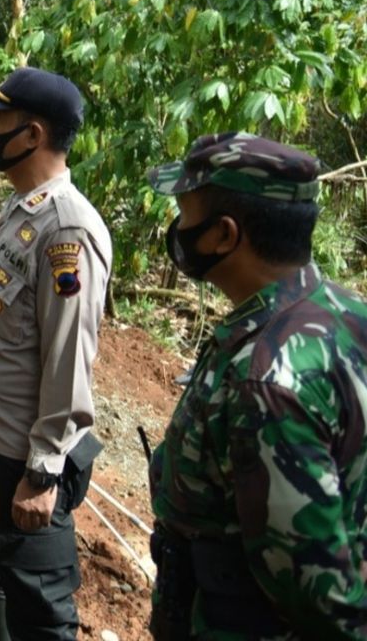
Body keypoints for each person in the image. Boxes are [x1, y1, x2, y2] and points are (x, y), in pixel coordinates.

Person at [146, 132, 367, 640]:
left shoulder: (266, 380)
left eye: (184, 214)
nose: (178, 229)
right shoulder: (344, 313)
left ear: (224, 235)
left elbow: (319, 596)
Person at [0, 67, 111, 640]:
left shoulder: (67, 230)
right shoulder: (22, 210)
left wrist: (43, 471)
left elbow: (69, 357)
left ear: (33, 135)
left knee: (40, 612)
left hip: (23, 455)